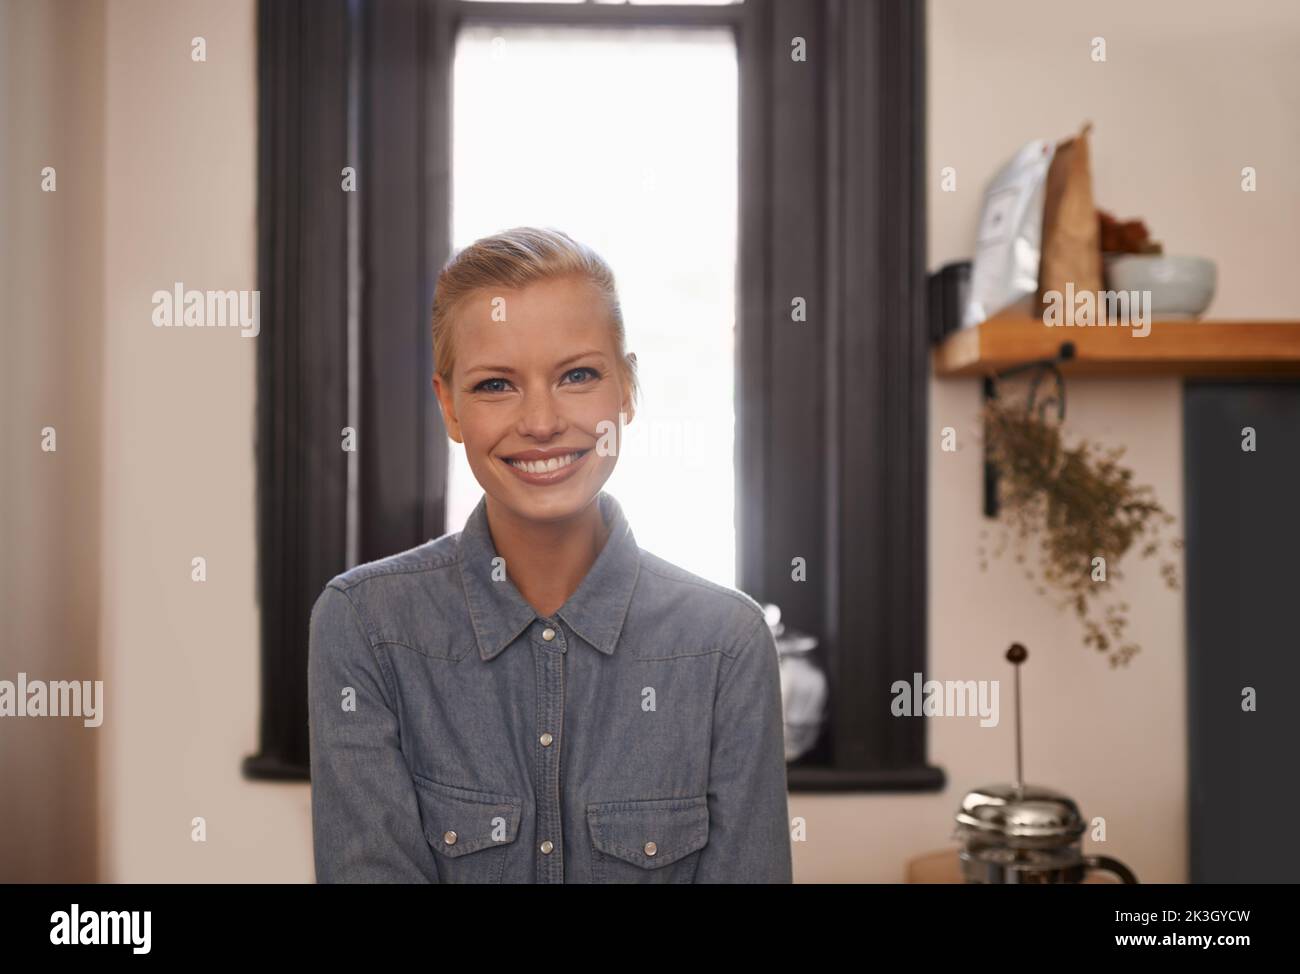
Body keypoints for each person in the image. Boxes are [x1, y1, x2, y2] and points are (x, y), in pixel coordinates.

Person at [308, 226, 792, 883]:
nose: (540, 422)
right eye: (495, 386)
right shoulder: (363, 626)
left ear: (625, 391)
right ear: (449, 406)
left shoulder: (727, 645)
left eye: (578, 375)